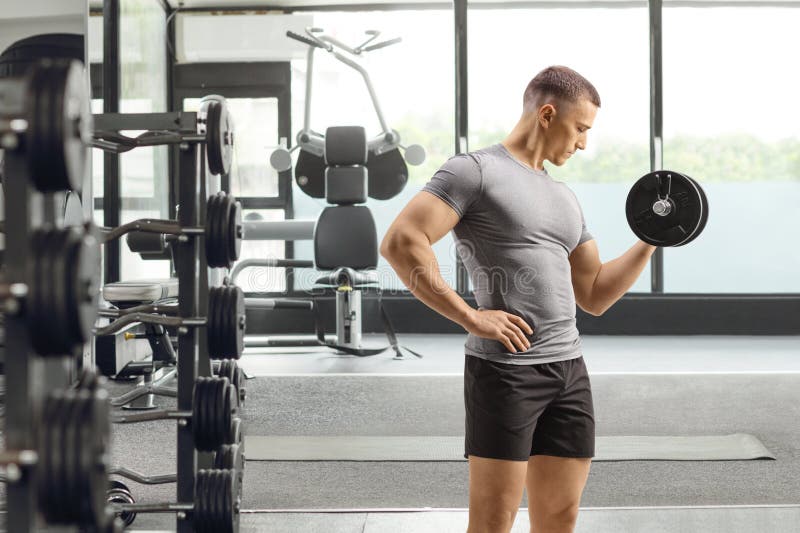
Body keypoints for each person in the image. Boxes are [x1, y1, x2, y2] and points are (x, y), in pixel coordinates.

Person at [380, 65, 656, 533]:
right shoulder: (475, 172)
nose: (584, 143)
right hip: (505, 373)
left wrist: (650, 238)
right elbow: (402, 242)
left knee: (560, 516)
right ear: (548, 113)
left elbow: (594, 294)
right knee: (493, 521)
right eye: (581, 129)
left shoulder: (564, 197)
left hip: (569, 371)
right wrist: (472, 317)